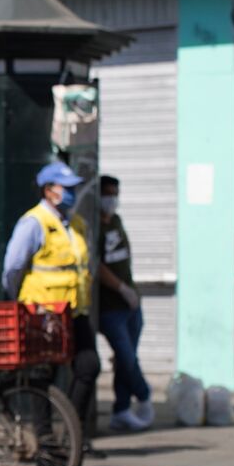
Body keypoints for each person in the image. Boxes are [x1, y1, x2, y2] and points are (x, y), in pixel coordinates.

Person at [2, 161, 100, 440]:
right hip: (43, 312)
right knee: (42, 376)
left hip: (74, 311)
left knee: (88, 366)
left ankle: (73, 435)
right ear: (48, 190)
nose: (71, 193)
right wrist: (16, 299)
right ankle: (45, 440)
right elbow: (12, 267)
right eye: (65, 188)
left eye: (74, 188)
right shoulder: (33, 223)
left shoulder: (77, 224)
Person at [97, 174, 154, 431]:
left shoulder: (116, 221)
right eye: (107, 194)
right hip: (110, 306)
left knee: (125, 360)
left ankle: (121, 409)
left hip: (130, 304)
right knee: (126, 356)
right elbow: (96, 266)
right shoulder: (93, 227)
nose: (112, 200)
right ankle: (144, 395)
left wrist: (130, 292)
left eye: (115, 194)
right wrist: (120, 288)